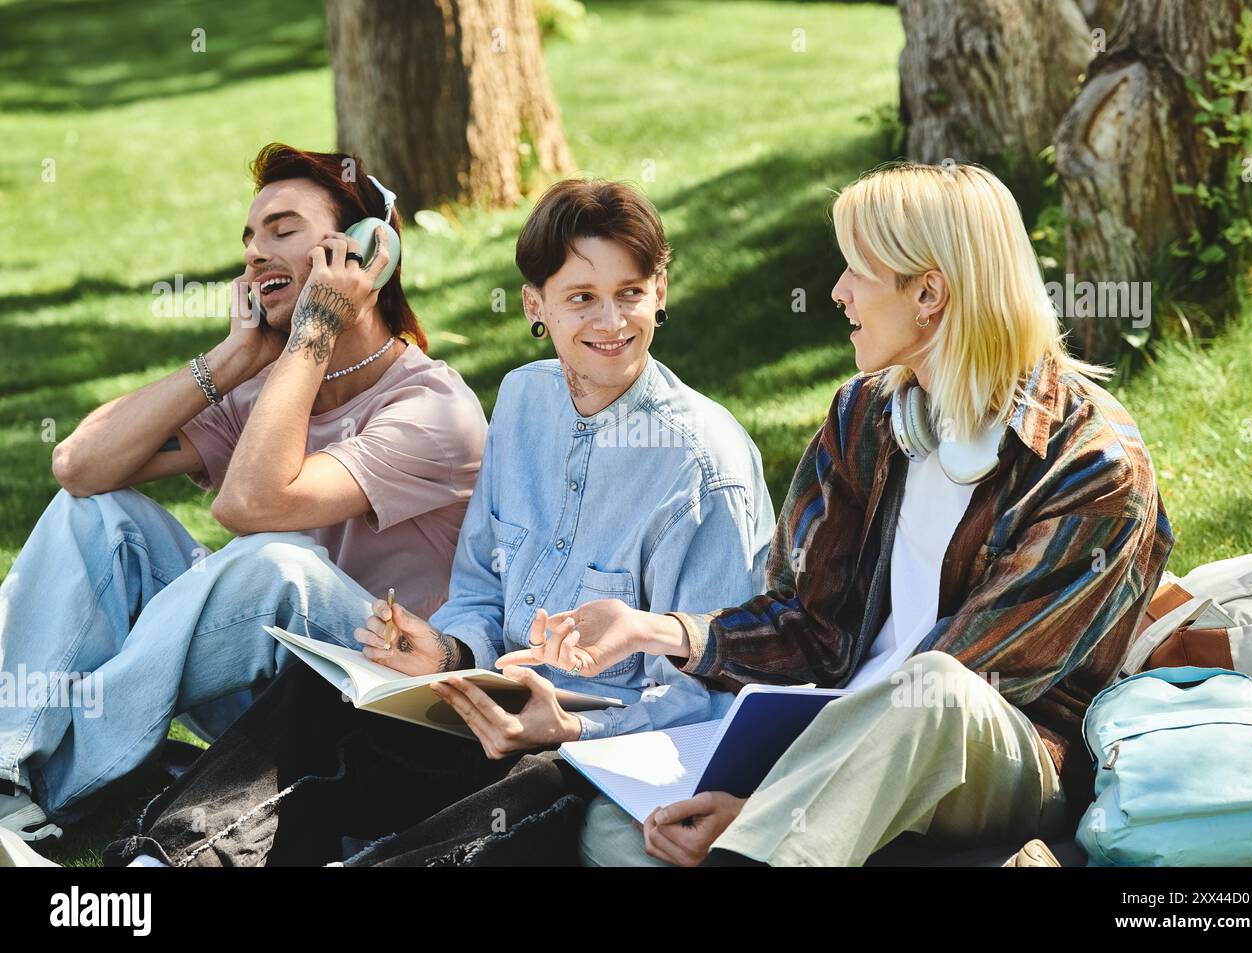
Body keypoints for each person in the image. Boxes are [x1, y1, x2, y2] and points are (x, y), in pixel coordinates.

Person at [519, 163, 1177, 867]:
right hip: (837, 740)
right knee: (621, 835)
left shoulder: (1092, 464)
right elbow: (810, 624)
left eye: (857, 270)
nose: (836, 291)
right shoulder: (865, 415)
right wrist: (652, 630)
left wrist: (771, 811)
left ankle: (752, 855)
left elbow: (976, 681)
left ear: (928, 292)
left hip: (996, 761)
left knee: (936, 694)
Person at [104, 178, 776, 867]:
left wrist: (566, 725)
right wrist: (447, 655)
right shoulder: (523, 399)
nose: (611, 323)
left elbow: (713, 695)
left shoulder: (703, 466)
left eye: (630, 293)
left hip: (594, 750)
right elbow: (482, 585)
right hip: (484, 708)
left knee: (538, 784)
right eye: (582, 298)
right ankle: (164, 861)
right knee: (322, 690)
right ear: (534, 304)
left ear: (659, 292)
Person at [0, 144, 487, 842]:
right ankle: (6, 770)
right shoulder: (268, 383)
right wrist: (232, 359)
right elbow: (78, 465)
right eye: (249, 238)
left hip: (381, 695)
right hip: (269, 681)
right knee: (98, 516)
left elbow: (249, 509)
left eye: (282, 230)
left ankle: (61, 779)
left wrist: (312, 329)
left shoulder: (435, 409)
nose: (255, 253)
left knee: (276, 561)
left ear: (367, 251)